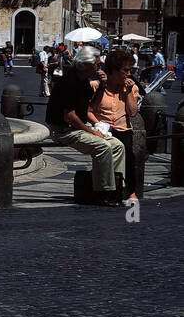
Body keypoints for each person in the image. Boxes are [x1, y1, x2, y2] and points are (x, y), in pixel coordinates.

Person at [46, 45, 126, 206]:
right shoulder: (69, 82)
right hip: (64, 130)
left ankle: (116, 187)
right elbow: (69, 117)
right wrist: (91, 131)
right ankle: (103, 191)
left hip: (78, 127)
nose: (99, 66)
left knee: (117, 146)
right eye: (96, 64)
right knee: (102, 147)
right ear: (86, 64)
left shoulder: (84, 82)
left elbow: (90, 107)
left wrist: (102, 86)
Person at [91, 48, 142, 202]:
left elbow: (132, 113)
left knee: (128, 156)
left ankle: (130, 191)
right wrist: (98, 124)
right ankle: (105, 190)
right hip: (102, 129)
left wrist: (127, 93)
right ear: (113, 70)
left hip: (123, 128)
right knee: (106, 155)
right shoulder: (97, 86)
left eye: (130, 70)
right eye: (125, 70)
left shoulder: (131, 88)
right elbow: (89, 110)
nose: (128, 74)